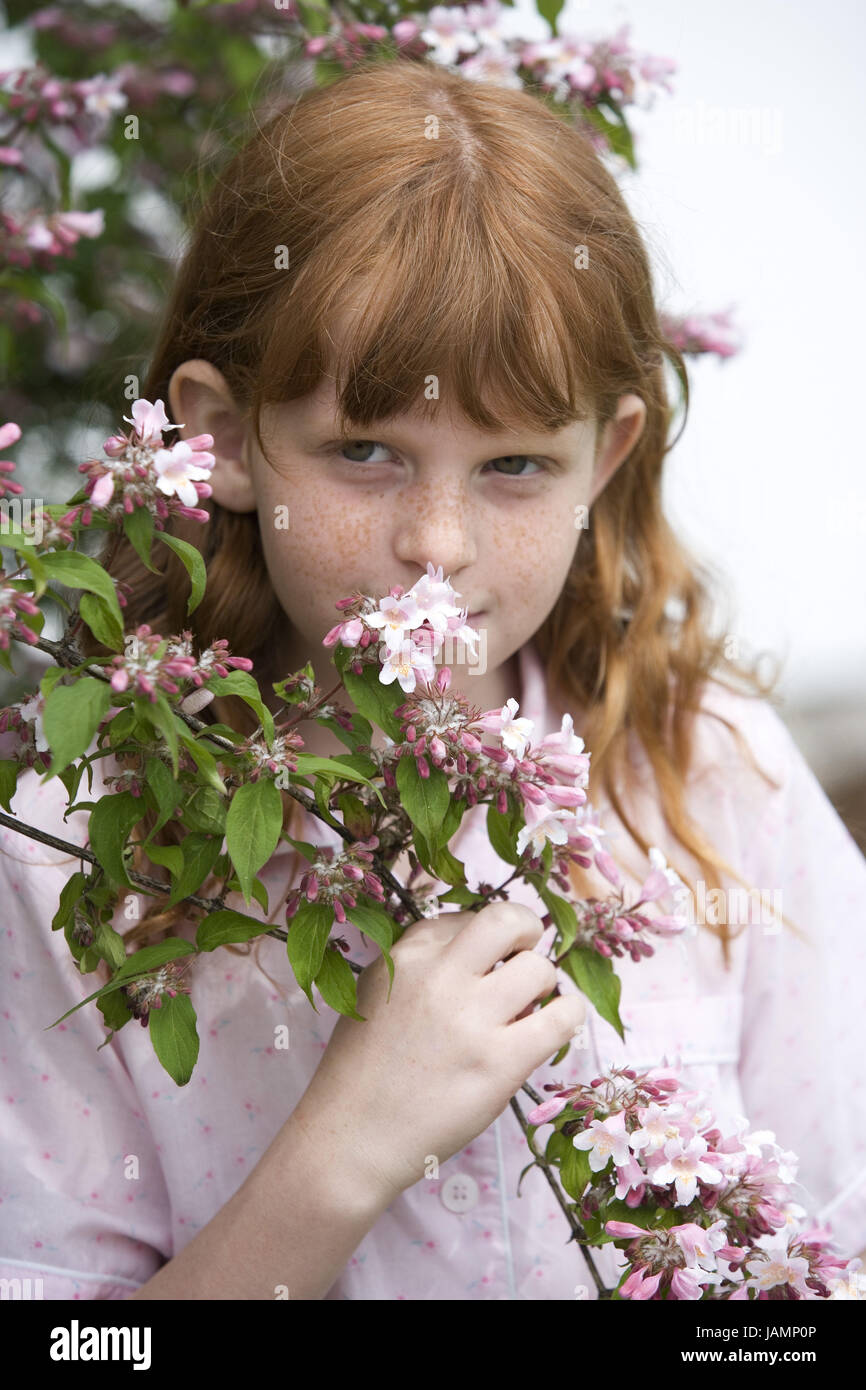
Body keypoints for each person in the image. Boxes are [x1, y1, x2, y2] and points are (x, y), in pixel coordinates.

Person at [1, 57, 865, 1302]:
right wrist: (333, 1163)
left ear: (604, 456)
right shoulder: (70, 857)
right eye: (364, 450)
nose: (437, 547)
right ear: (224, 439)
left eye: (513, 465)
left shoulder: (710, 779)